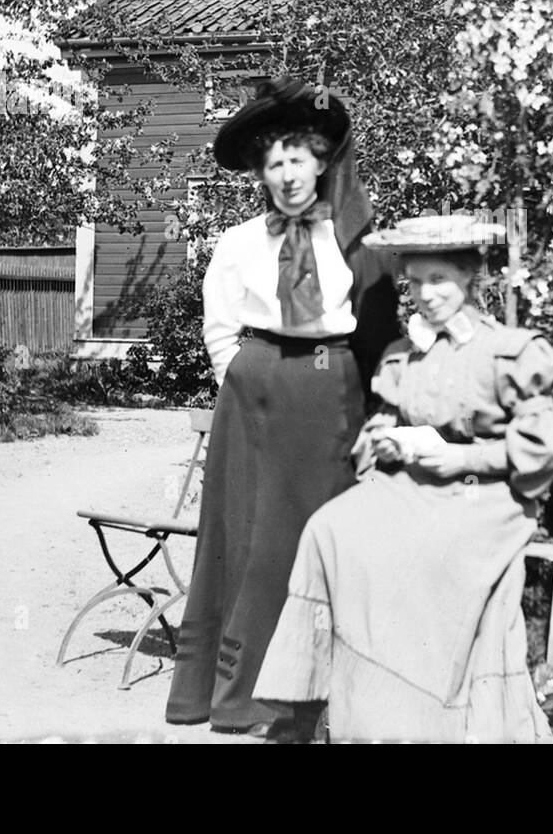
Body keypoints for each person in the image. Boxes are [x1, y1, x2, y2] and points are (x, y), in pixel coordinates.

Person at [252, 215, 553, 743]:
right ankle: (310, 703)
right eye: (415, 282)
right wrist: (383, 441)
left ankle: (416, 717)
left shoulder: (511, 351)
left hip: (484, 495)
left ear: (470, 279)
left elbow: (541, 449)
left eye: (439, 280)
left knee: (423, 556)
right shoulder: (405, 354)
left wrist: (464, 461)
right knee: (330, 528)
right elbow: (385, 422)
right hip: (409, 486)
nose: (425, 294)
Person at [165, 75, 399, 735]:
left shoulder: (351, 237)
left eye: (298, 159)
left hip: (333, 393)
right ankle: (240, 695)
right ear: (261, 174)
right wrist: (241, 380)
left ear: (321, 163)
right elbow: (219, 328)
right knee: (251, 542)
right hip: (257, 396)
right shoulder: (240, 242)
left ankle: (318, 692)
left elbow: (377, 323)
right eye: (274, 163)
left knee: (316, 539)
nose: (287, 174)